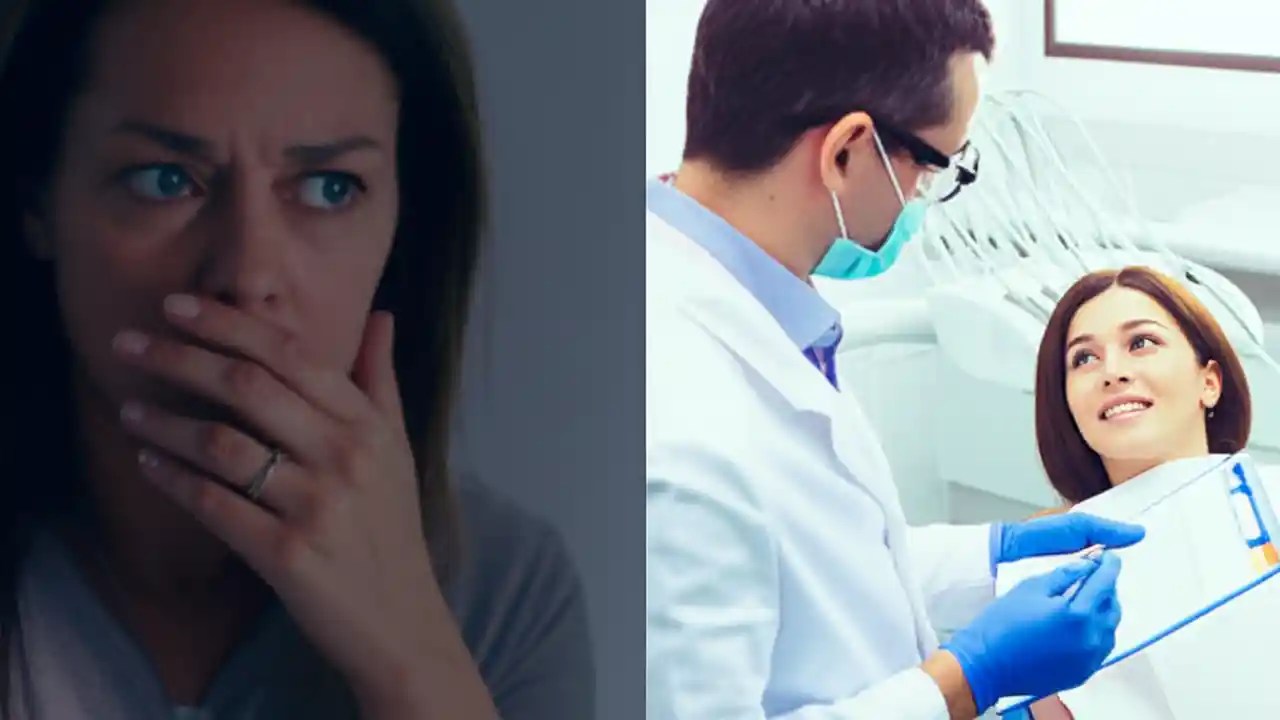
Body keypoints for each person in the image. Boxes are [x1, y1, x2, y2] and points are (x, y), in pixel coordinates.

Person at [0, 1, 594, 718]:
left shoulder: (507, 589)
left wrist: (412, 658)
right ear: (38, 202)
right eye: (164, 179)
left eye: (328, 189)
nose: (248, 273)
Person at [645, 1, 1146, 718]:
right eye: (937, 166)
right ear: (847, 150)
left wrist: (996, 554)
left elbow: (810, 570)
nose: (925, 196)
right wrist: (967, 679)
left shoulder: (750, 303)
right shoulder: (678, 415)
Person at [1024, 265, 1253, 719]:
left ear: (1209, 382)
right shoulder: (1044, 569)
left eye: (1141, 343)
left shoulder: (1267, 504)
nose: (1113, 372)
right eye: (1084, 358)